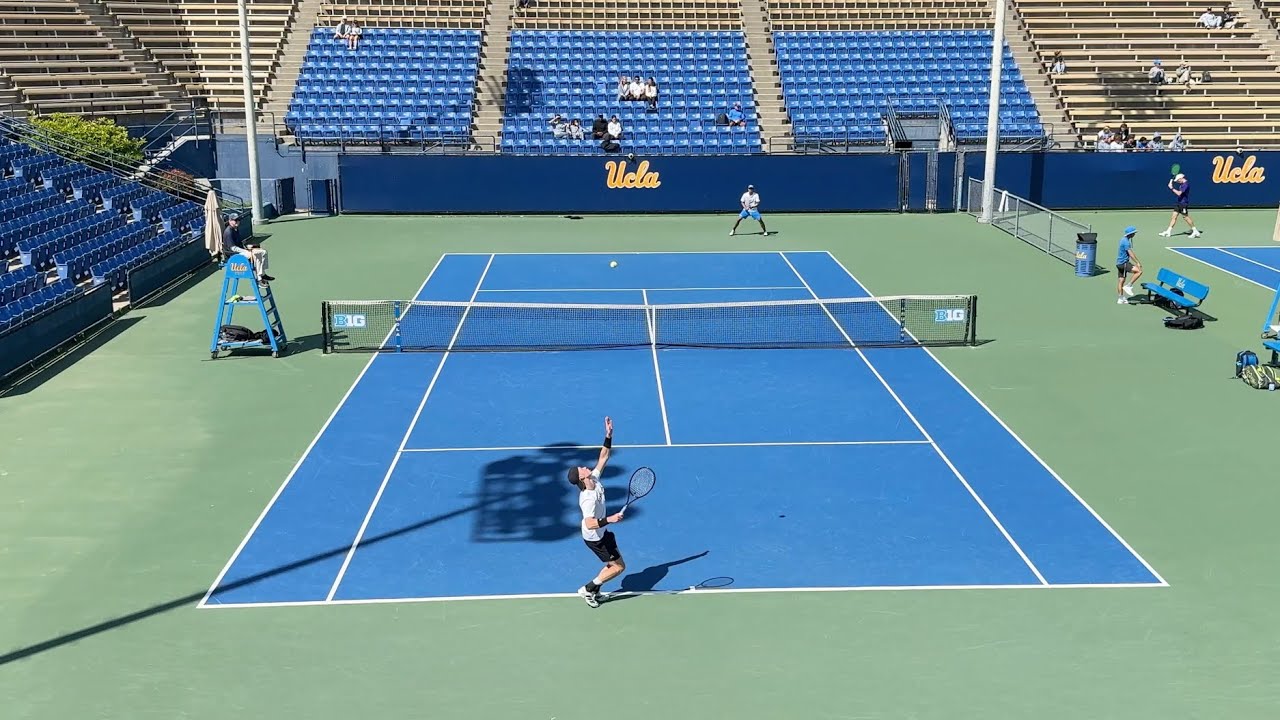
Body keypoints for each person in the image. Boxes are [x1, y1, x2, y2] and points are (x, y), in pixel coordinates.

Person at [569, 416, 624, 608]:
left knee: (615, 565)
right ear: (581, 478)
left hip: (601, 533)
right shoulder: (587, 499)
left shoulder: (593, 477)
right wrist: (611, 518)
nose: (585, 467)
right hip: (595, 537)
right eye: (582, 469)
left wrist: (608, 435)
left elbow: (604, 457)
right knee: (619, 567)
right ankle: (588, 589)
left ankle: (596, 589)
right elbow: (590, 522)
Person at [221, 216, 274, 287]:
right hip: (233, 255)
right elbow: (233, 248)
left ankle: (262, 274)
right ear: (230, 221)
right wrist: (246, 251)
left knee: (263, 252)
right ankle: (259, 279)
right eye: (235, 220)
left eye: (238, 220)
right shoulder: (228, 232)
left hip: (240, 251)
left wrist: (247, 247)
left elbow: (239, 243)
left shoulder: (235, 229)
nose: (237, 221)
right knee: (255, 255)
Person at [1159, 172, 1202, 237]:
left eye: (1178, 180)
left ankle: (1195, 231)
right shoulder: (1182, 184)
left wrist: (1172, 188)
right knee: (1174, 217)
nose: (1178, 182)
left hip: (1183, 203)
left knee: (1186, 217)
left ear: (1181, 178)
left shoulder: (1185, 185)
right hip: (1178, 203)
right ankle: (1168, 231)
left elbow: (1179, 193)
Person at [1115, 226, 1143, 304]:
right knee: (1139, 271)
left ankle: (1120, 299)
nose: (1134, 234)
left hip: (1119, 264)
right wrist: (1137, 262)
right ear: (1130, 234)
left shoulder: (1123, 240)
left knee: (1121, 281)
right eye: (1134, 233)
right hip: (1123, 263)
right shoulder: (1126, 242)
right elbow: (1130, 254)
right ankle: (1129, 286)